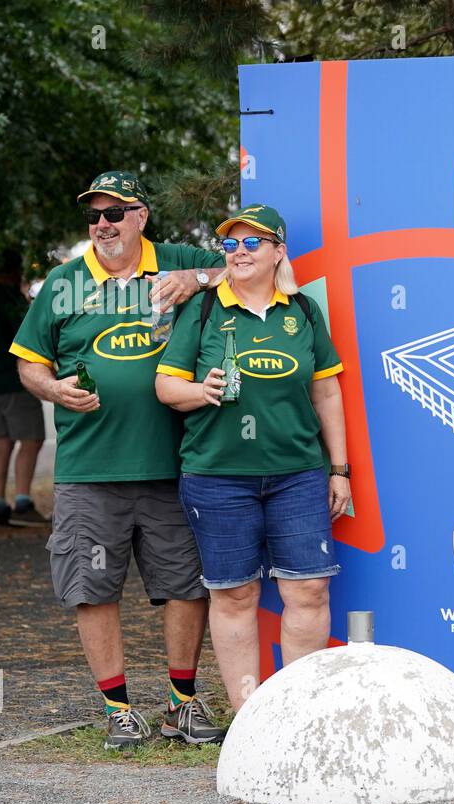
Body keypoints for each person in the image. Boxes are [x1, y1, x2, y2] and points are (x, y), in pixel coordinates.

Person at [13, 171, 227, 749]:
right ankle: (117, 710)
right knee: (92, 587)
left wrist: (197, 276)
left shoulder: (178, 260)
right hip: (90, 467)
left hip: (174, 462)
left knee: (186, 585)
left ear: (141, 216)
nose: (102, 225)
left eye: (114, 213)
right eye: (93, 216)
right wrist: (53, 390)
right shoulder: (64, 283)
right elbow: (29, 362)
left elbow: (264, 269)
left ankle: (181, 705)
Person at [155, 204, 350, 712]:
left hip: (297, 475)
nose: (239, 252)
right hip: (218, 477)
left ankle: (299, 713)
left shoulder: (304, 310)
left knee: (308, 591)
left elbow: (327, 392)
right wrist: (202, 391)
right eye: (231, 244)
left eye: (252, 243)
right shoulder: (201, 310)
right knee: (235, 595)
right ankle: (251, 721)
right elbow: (165, 386)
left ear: (278, 251)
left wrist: (339, 469)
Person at [0, 250, 47, 527]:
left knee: (2, 442)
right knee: (31, 438)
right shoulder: (11, 300)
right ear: (16, 271)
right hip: (12, 380)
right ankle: (23, 502)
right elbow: (28, 337)